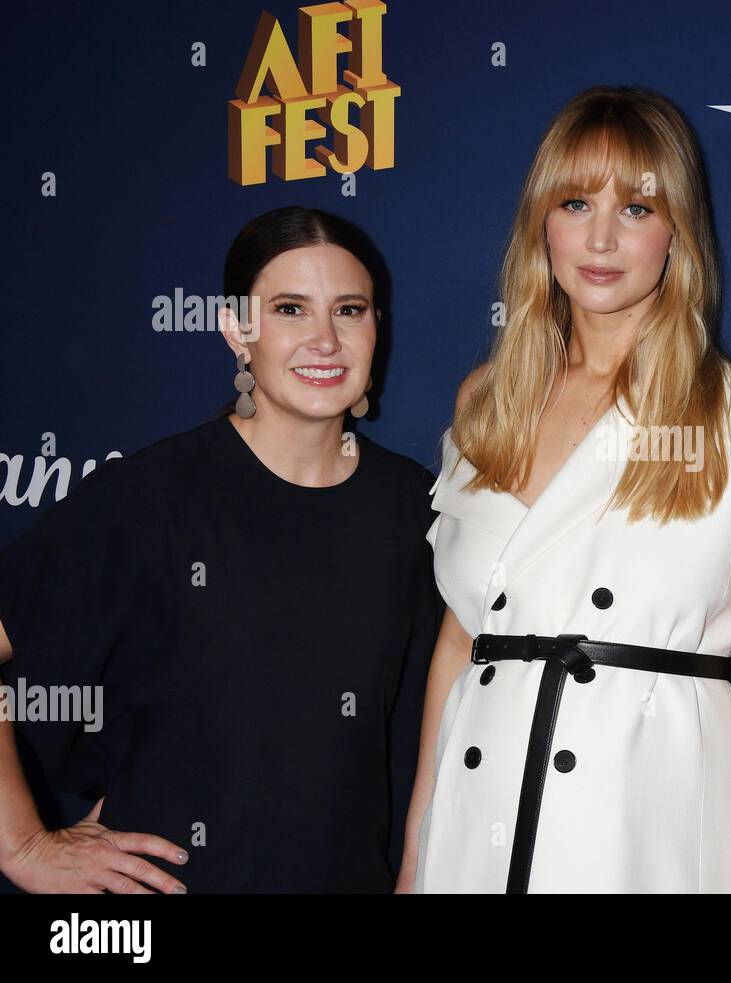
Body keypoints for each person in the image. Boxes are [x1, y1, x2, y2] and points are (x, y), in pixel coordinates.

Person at [397, 86, 731, 893]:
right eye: (576, 201)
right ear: (539, 224)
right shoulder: (487, 400)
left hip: (644, 822)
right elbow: (462, 643)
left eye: (636, 208)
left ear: (677, 233)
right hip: (474, 822)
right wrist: (417, 855)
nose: (599, 236)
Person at [0, 206, 438, 893]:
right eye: (291, 309)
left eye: (349, 310)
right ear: (237, 330)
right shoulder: (148, 497)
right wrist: (22, 843)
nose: (325, 339)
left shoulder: (420, 510)